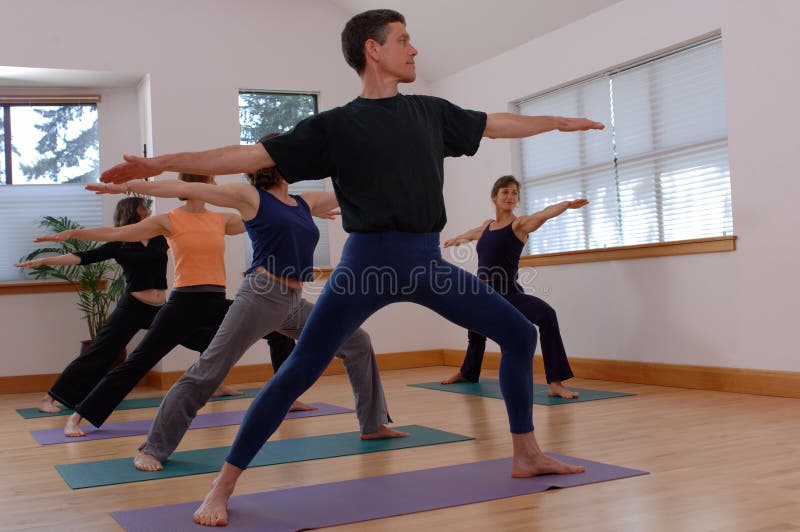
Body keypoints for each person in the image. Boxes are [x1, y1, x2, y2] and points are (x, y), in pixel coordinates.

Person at [100, 9, 604, 526]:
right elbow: (247, 156)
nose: (414, 50)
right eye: (404, 40)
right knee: (299, 370)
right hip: (367, 264)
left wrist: (557, 122)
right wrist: (159, 164)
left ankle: (526, 454)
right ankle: (222, 485)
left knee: (520, 333)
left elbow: (496, 124)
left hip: (425, 260)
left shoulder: (431, 112)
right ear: (373, 49)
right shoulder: (334, 127)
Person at [89, 150, 404, 472]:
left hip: (293, 300)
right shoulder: (252, 198)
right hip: (260, 296)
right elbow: (193, 189)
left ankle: (373, 424)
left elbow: (348, 191)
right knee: (208, 372)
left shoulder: (303, 202)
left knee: (357, 341)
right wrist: (128, 188)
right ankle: (153, 447)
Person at [36, 173, 253, 436]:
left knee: (272, 322)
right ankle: (79, 414)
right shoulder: (167, 221)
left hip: (213, 299)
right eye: (212, 181)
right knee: (135, 362)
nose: (217, 186)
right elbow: (113, 235)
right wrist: (74, 234)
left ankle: (277, 391)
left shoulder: (222, 219)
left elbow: (258, 216)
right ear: (196, 186)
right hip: (178, 302)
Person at [15, 197, 169, 413]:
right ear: (132, 212)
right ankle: (49, 399)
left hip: (160, 307)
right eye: (144, 207)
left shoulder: (158, 238)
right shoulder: (119, 242)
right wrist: (45, 261)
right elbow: (83, 257)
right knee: (100, 352)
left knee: (199, 332)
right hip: (134, 306)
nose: (148, 211)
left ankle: (215, 384)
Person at [441, 175, 588, 399]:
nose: (510, 196)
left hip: (507, 291)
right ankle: (468, 372)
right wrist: (457, 239)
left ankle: (555, 382)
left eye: (514, 193)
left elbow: (543, 214)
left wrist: (566, 205)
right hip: (482, 290)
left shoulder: (519, 225)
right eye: (505, 192)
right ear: (495, 197)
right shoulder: (487, 225)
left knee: (547, 315)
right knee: (476, 331)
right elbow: (473, 234)